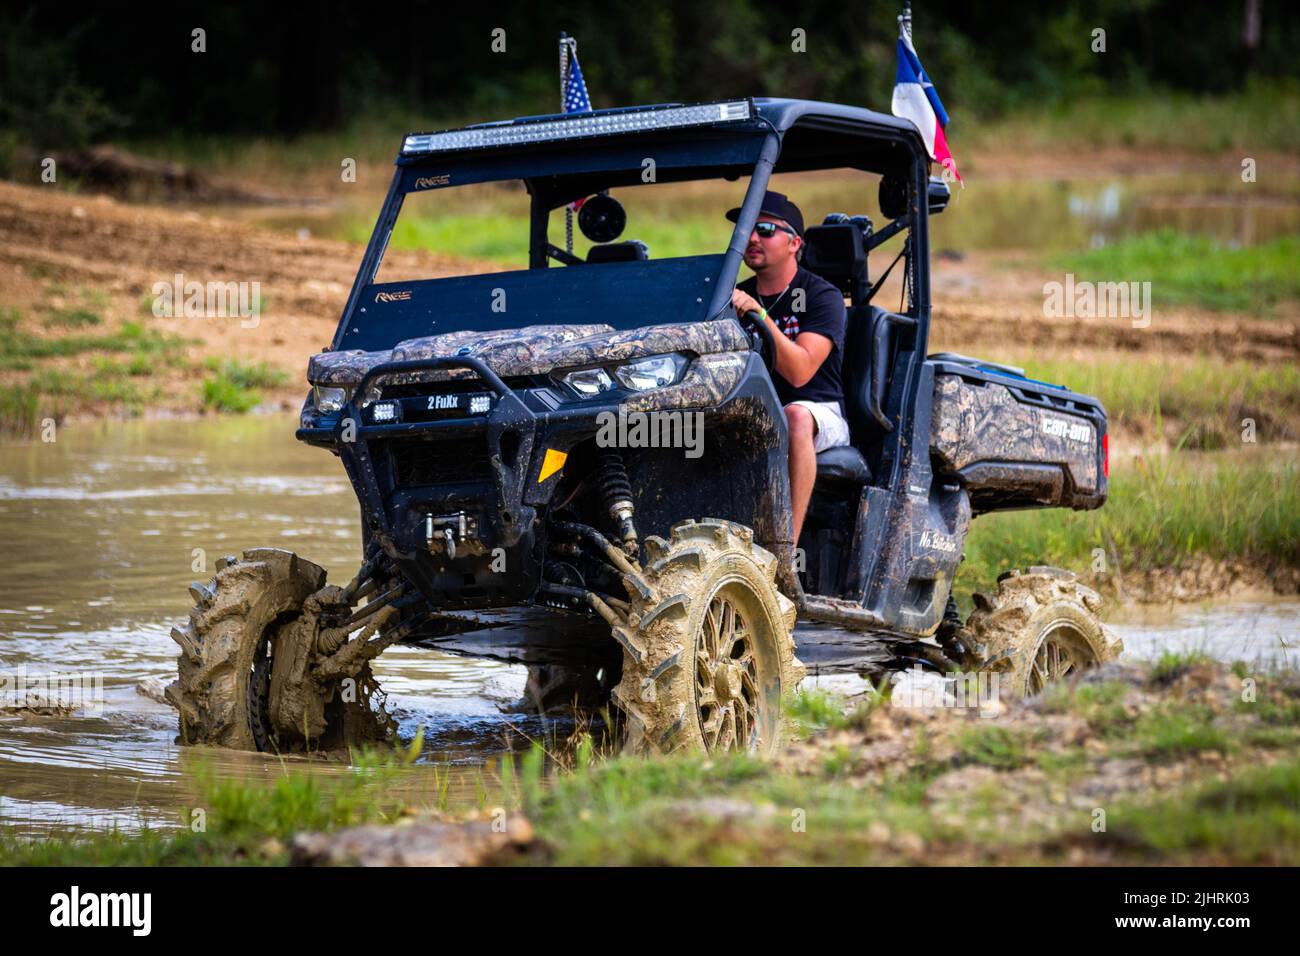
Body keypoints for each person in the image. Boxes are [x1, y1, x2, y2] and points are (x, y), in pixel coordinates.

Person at [728, 190, 849, 543]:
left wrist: (759, 315)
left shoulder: (821, 296)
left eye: (765, 229)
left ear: (795, 243)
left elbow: (800, 371)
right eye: (747, 228)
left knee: (794, 416)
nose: (752, 237)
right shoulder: (734, 294)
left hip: (819, 413)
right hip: (756, 410)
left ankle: (786, 550)